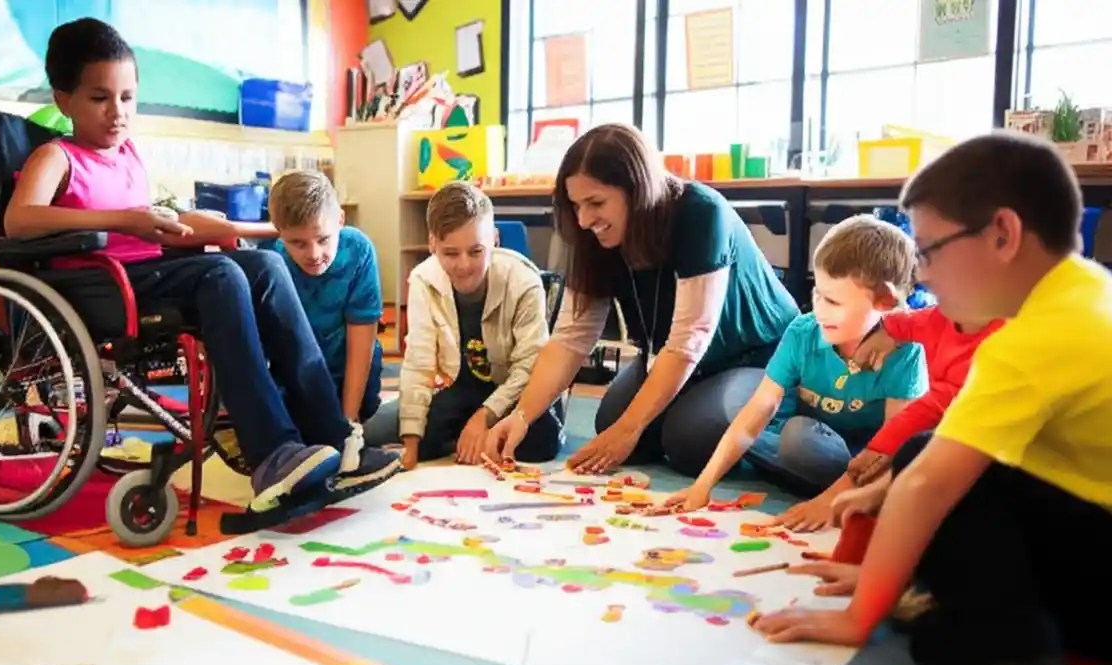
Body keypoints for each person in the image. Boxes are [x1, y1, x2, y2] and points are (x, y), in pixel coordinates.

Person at [752, 131, 1112, 665]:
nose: (925, 274)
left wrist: (858, 615)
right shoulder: (1087, 289)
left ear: (1002, 235)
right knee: (938, 616)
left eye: (930, 251)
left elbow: (928, 483)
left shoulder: (1029, 341)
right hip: (1084, 527)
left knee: (924, 477)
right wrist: (880, 529)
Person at [4, 18, 400, 513]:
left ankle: (335, 438)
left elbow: (164, 219)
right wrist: (125, 219)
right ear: (64, 100)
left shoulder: (127, 156)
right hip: (103, 285)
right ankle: (272, 453)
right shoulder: (57, 156)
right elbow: (18, 220)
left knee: (262, 266)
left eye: (127, 97)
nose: (118, 112)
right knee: (222, 274)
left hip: (151, 271)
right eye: (99, 98)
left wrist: (252, 231)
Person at [484, 123, 799, 475]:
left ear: (637, 191)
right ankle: (692, 413)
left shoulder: (701, 212)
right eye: (575, 205)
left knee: (688, 441)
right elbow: (570, 339)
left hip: (757, 357)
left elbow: (687, 342)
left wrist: (629, 430)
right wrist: (522, 415)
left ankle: (788, 415)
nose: (585, 219)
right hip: (674, 358)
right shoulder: (593, 236)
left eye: (596, 203)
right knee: (611, 423)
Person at [661, 216, 929, 513]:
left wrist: (829, 503)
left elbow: (892, 443)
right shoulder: (804, 331)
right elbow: (759, 409)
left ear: (885, 302)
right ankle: (806, 474)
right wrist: (703, 486)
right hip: (802, 437)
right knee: (750, 431)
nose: (820, 311)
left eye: (834, 302)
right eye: (818, 295)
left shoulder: (906, 352)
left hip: (860, 457)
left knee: (804, 445)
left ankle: (829, 484)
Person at [364, 182, 563, 469]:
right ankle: (466, 436)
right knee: (381, 434)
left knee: (540, 443)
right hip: (459, 389)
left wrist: (484, 416)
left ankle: (474, 432)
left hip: (515, 390)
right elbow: (419, 364)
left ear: (494, 240)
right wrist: (411, 445)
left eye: (476, 251)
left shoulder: (523, 281)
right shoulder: (423, 280)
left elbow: (528, 368)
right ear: (432, 244)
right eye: (450, 253)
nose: (464, 265)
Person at [814, 305, 1004, 532]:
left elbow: (937, 409)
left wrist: (870, 484)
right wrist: (886, 331)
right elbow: (911, 321)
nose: (925, 276)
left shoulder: (1008, 341)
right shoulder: (945, 314)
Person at [268, 169, 385, 429]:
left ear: (340, 220)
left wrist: (348, 420)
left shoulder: (358, 250)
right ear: (280, 233)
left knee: (356, 430)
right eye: (298, 243)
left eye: (323, 239)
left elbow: (362, 338)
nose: (314, 253)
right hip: (299, 376)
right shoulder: (272, 261)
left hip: (351, 373)